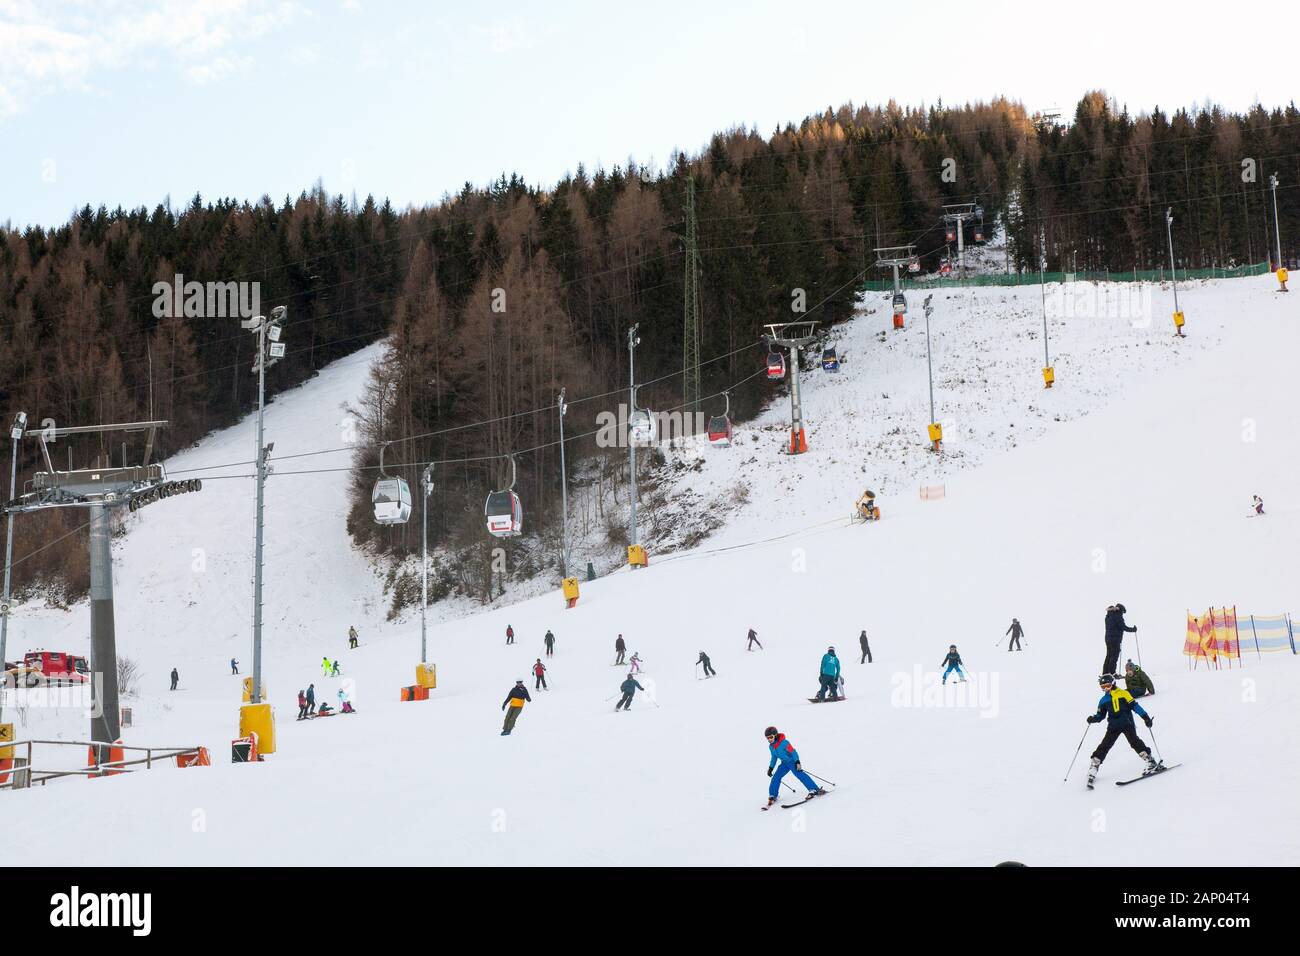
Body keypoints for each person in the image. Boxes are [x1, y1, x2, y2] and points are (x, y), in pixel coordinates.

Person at [1085, 674, 1158, 787]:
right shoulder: (1103, 700)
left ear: (1113, 683)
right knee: (1104, 746)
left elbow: (1135, 706)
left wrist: (1146, 717)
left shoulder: (1124, 694)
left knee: (1134, 742)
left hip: (1126, 724)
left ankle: (1150, 761)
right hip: (1113, 727)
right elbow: (1100, 716)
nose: (1106, 689)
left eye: (1108, 686)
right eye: (1103, 687)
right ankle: (1094, 766)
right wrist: (1093, 719)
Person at [763, 726, 826, 808]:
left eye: (771, 737)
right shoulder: (771, 746)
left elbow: (793, 752)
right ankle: (773, 795)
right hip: (784, 764)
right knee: (776, 777)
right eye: (767, 738)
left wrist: (797, 762)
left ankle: (814, 789)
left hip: (792, 762)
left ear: (775, 735)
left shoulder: (784, 743)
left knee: (799, 774)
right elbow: (774, 757)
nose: (769, 739)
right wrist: (771, 768)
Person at [1103, 604, 1137, 676]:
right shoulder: (1117, 616)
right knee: (1114, 656)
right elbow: (1123, 627)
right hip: (1115, 639)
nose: (1122, 614)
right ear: (1120, 610)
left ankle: (1105, 673)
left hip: (1107, 639)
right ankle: (1112, 673)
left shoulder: (1108, 617)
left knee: (1109, 655)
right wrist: (1133, 629)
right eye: (1122, 612)